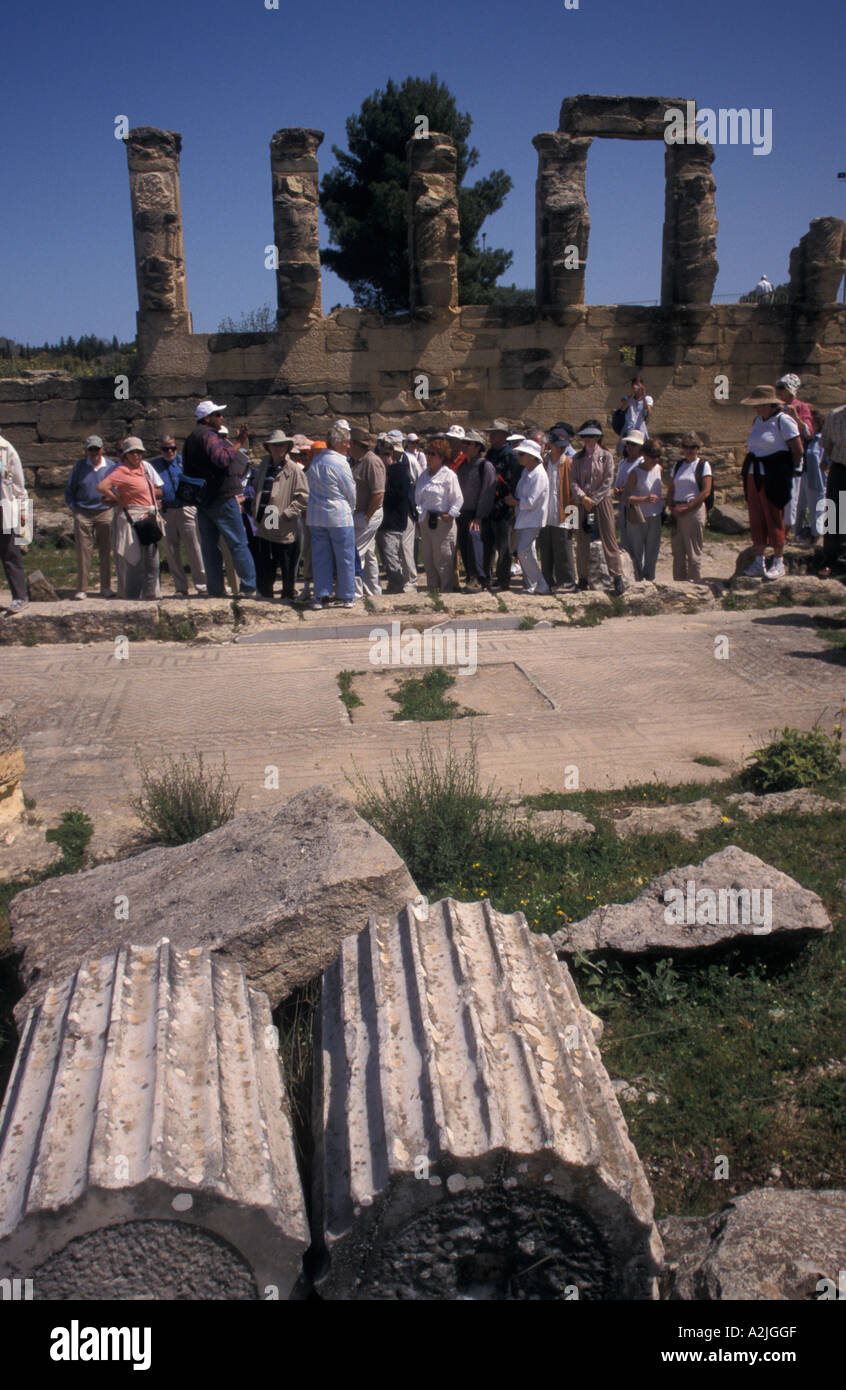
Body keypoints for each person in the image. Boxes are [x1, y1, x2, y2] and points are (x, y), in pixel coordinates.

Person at [181, 399, 257, 598]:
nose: (221, 417)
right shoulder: (208, 435)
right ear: (207, 418)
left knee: (209, 546)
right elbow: (222, 459)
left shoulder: (191, 439)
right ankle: (249, 586)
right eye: (217, 414)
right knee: (237, 542)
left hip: (203, 499)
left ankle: (215, 589)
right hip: (221, 498)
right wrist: (239, 441)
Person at [740, 384, 803, 579]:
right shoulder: (758, 421)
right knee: (757, 516)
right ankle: (759, 560)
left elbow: (797, 450)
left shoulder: (784, 421)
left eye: (759, 405)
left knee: (773, 516)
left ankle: (778, 561)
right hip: (754, 473)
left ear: (769, 404)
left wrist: (785, 471)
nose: (756, 408)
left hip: (773, 474)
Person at [97, 437, 163, 600]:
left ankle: (149, 594)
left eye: (139, 452)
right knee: (136, 561)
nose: (137, 455)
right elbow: (102, 487)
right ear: (126, 455)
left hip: (149, 516)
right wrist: (119, 500)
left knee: (152, 560)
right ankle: (133, 598)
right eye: (133, 452)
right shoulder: (121, 471)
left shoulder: (143, 469)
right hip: (134, 517)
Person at [248, 430, 308, 600]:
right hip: (266, 514)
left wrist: (288, 514)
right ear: (269, 447)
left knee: (286, 557)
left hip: (279, 515)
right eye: (274, 445)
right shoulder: (265, 464)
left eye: (281, 445)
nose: (277, 449)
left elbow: (303, 497)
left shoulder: (293, 469)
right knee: (266, 556)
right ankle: (266, 592)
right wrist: (255, 507)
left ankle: (287, 595)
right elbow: (257, 486)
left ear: (287, 447)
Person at [570, 420, 626, 594]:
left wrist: (594, 498)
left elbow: (608, 479)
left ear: (597, 437)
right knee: (582, 539)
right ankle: (583, 578)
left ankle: (617, 577)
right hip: (583, 502)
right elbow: (573, 481)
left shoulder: (604, 456)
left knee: (609, 538)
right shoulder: (577, 458)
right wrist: (582, 497)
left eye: (591, 436)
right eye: (585, 436)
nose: (588, 439)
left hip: (601, 501)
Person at [148, 434, 207, 597]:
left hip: (186, 508)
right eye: (166, 449)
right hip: (166, 510)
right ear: (160, 449)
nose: (169, 451)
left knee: (194, 548)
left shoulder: (183, 461)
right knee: (172, 551)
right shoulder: (154, 466)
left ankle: (202, 584)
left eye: (172, 448)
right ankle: (180, 587)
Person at [306, 425, 357, 609]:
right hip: (338, 515)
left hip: (316, 515)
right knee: (344, 556)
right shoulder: (340, 462)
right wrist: (351, 507)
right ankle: (347, 595)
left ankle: (321, 594)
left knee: (320, 557)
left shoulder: (316, 460)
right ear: (341, 443)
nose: (349, 446)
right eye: (347, 442)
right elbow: (350, 490)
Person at [64, 435, 118, 599]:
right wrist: (75, 510)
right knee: (83, 552)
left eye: (97, 449)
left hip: (104, 511)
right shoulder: (79, 467)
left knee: (106, 550)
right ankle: (82, 588)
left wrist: (113, 506)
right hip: (84, 512)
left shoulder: (110, 466)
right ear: (86, 451)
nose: (94, 452)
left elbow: (116, 487)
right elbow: (70, 489)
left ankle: (106, 586)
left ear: (102, 449)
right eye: (91, 449)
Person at [415, 436, 462, 591]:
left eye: (433, 454)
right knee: (428, 558)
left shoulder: (449, 476)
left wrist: (451, 514)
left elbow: (458, 499)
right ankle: (432, 589)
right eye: (428, 453)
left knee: (442, 558)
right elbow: (418, 498)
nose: (429, 457)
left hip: (443, 522)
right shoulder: (424, 475)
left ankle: (446, 590)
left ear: (441, 457)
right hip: (426, 520)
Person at [666, 432, 712, 582]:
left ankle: (696, 584)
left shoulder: (703, 465)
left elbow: (706, 491)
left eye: (692, 447)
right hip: (677, 510)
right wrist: (671, 506)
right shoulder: (678, 465)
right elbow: (672, 487)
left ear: (697, 448)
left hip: (693, 510)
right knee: (678, 551)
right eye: (686, 447)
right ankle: (679, 584)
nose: (689, 450)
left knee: (693, 551)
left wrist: (689, 507)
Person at [507, 439, 550, 594]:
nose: (519, 457)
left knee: (523, 551)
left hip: (533, 517)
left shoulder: (539, 474)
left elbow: (531, 501)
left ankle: (541, 583)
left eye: (522, 454)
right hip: (523, 517)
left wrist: (514, 502)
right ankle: (533, 583)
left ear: (532, 456)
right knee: (527, 551)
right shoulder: (527, 472)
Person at [456, 430, 496, 591]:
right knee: (464, 544)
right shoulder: (463, 466)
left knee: (476, 542)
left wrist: (479, 516)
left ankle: (478, 578)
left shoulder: (485, 466)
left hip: (478, 514)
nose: (463, 446)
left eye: (467, 443)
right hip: (463, 513)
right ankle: (470, 575)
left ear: (477, 446)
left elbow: (487, 492)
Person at [538, 424, 577, 592]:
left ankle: (567, 582)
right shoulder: (543, 463)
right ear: (550, 445)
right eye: (558, 446)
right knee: (546, 551)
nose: (561, 449)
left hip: (563, 514)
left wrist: (572, 522)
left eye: (563, 446)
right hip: (546, 514)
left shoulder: (569, 464)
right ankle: (548, 582)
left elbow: (573, 493)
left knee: (564, 551)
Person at [348, 426, 385, 596]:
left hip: (369, 513)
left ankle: (355, 592)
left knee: (355, 552)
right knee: (369, 553)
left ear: (355, 444)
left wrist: (366, 517)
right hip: (362, 513)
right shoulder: (358, 461)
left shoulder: (372, 461)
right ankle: (373, 591)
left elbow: (378, 493)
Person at [776, 375, 813, 539]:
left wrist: (796, 417)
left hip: (794, 457)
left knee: (792, 496)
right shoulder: (776, 407)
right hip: (777, 456)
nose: (779, 392)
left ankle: (788, 532)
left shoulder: (801, 407)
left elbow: (808, 432)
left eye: (782, 388)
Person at [377, 436, 416, 593]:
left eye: (384, 454)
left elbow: (398, 496)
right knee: (386, 555)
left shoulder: (399, 471)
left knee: (391, 555)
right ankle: (394, 583)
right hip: (384, 520)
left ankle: (397, 584)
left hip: (392, 520)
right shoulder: (387, 471)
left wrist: (383, 490)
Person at [486, 419, 522, 589]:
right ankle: (489, 576)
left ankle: (503, 579)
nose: (491, 436)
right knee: (490, 543)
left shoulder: (511, 456)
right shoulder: (490, 454)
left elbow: (514, 482)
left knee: (504, 546)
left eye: (495, 433)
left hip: (505, 507)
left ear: (503, 436)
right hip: (490, 505)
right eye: (490, 433)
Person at [623, 438, 663, 581]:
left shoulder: (658, 469)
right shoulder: (635, 473)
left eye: (658, 456)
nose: (655, 460)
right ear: (644, 455)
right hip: (639, 517)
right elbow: (626, 498)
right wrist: (644, 499)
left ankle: (650, 577)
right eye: (652, 456)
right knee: (637, 550)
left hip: (655, 515)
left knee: (653, 550)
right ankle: (638, 578)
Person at [0, 430, 30, 614]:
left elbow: (19, 484)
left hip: (3, 508)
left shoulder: (6, 449)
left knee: (10, 554)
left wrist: (23, 510)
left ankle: (20, 596)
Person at [820, 403, 846, 577]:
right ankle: (832, 560)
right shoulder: (835, 415)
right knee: (836, 515)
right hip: (841, 469)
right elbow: (827, 444)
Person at [796, 409, 829, 542]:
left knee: (817, 509)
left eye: (813, 423)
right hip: (802, 476)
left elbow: (827, 458)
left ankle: (816, 537)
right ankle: (800, 533)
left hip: (816, 479)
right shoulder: (804, 440)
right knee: (800, 507)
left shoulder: (821, 440)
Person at [614, 428, 646, 552]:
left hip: (636, 505)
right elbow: (618, 481)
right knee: (625, 537)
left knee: (637, 541)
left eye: (634, 444)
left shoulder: (642, 462)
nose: (630, 447)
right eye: (628, 444)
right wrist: (617, 490)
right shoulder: (623, 462)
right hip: (624, 504)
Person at [617, 378, 653, 454]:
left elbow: (649, 410)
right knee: (629, 447)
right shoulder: (627, 398)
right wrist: (632, 395)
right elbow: (623, 408)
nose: (638, 389)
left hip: (641, 427)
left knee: (642, 448)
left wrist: (643, 397)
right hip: (629, 427)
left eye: (639, 387)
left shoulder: (647, 398)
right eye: (636, 387)